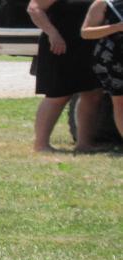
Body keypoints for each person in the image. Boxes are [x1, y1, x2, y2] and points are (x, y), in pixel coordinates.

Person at [29, 0, 102, 153]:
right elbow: (34, 8)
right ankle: (41, 144)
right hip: (59, 44)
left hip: (90, 45)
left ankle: (84, 143)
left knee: (92, 94)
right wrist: (52, 33)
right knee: (58, 95)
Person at [82, 0, 123, 138]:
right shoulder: (104, 3)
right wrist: (117, 27)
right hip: (115, 58)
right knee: (120, 102)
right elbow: (86, 32)